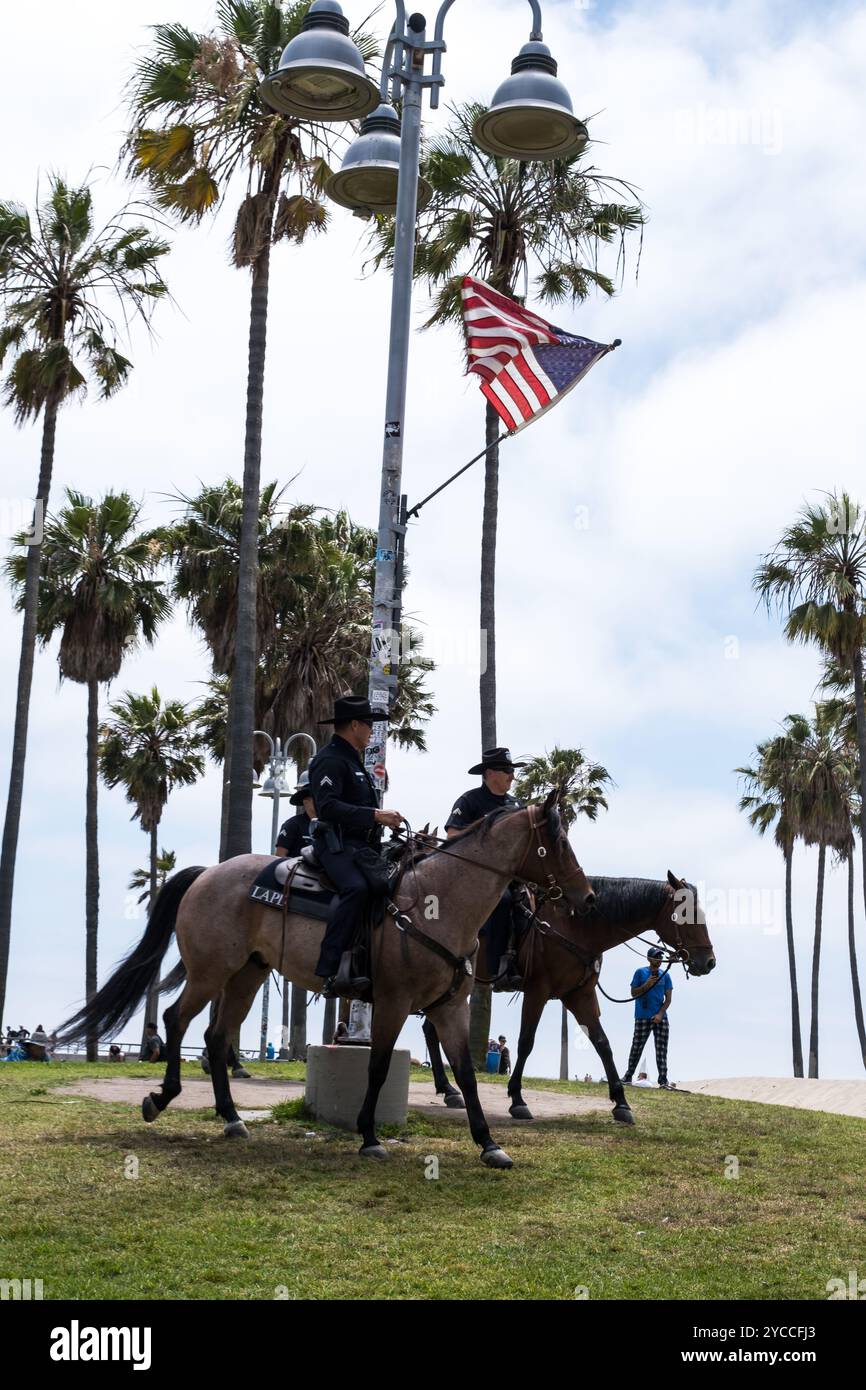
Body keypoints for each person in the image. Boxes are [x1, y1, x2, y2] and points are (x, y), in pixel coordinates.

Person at [309, 694, 405, 998]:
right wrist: (376, 815)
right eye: (368, 725)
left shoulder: (353, 761)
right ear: (354, 725)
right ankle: (331, 969)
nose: (371, 731)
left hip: (361, 847)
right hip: (336, 844)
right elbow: (328, 807)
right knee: (356, 889)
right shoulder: (329, 760)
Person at [445, 747, 527, 990]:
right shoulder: (470, 801)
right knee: (501, 901)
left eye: (512, 771)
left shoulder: (516, 804)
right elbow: (452, 837)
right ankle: (498, 969)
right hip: (479, 877)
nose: (512, 776)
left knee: (535, 907)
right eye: (507, 771)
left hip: (515, 875)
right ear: (490, 773)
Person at [621, 947, 674, 1090]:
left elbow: (668, 999)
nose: (659, 960)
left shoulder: (666, 976)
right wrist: (647, 985)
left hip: (661, 1018)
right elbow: (633, 993)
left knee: (661, 1050)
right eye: (656, 957)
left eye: (660, 957)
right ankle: (628, 1076)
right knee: (637, 1047)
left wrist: (660, 1014)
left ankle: (663, 1081)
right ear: (649, 958)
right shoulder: (640, 972)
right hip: (642, 1016)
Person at [275, 771, 315, 858]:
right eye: (316, 798)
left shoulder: (330, 823)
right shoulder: (293, 824)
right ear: (306, 801)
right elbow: (279, 856)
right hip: (298, 869)